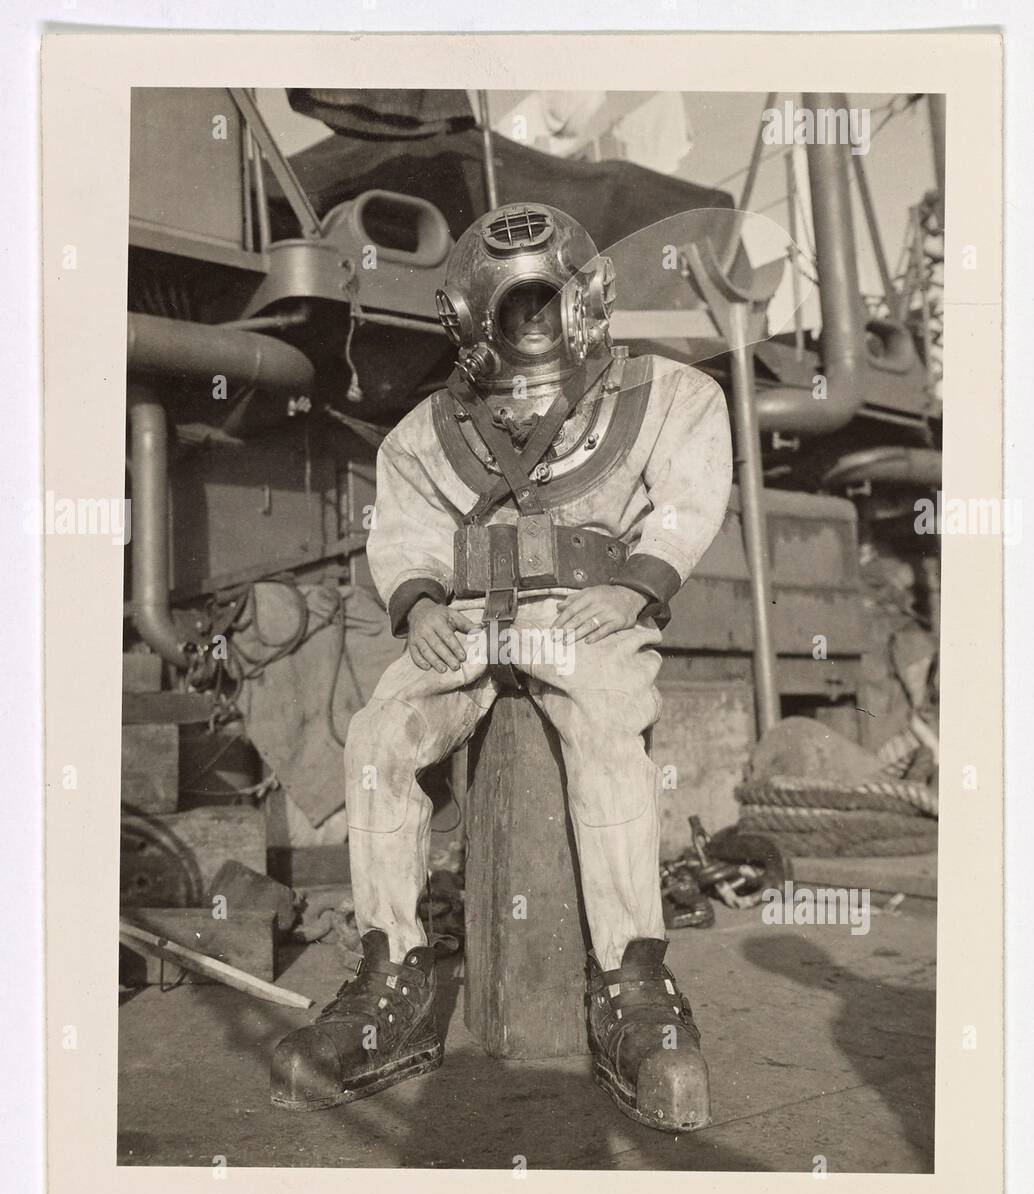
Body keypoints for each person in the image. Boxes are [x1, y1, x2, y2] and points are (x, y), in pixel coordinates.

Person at [271, 202, 733, 1131]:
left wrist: (638, 587)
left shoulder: (665, 395)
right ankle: (391, 980)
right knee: (376, 742)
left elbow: (687, 494)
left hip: (588, 613)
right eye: (512, 309)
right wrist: (424, 603)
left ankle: (630, 985)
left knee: (606, 732)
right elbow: (404, 531)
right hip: (470, 619)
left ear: (583, 300)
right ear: (471, 323)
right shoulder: (427, 431)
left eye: (546, 302)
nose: (532, 325)